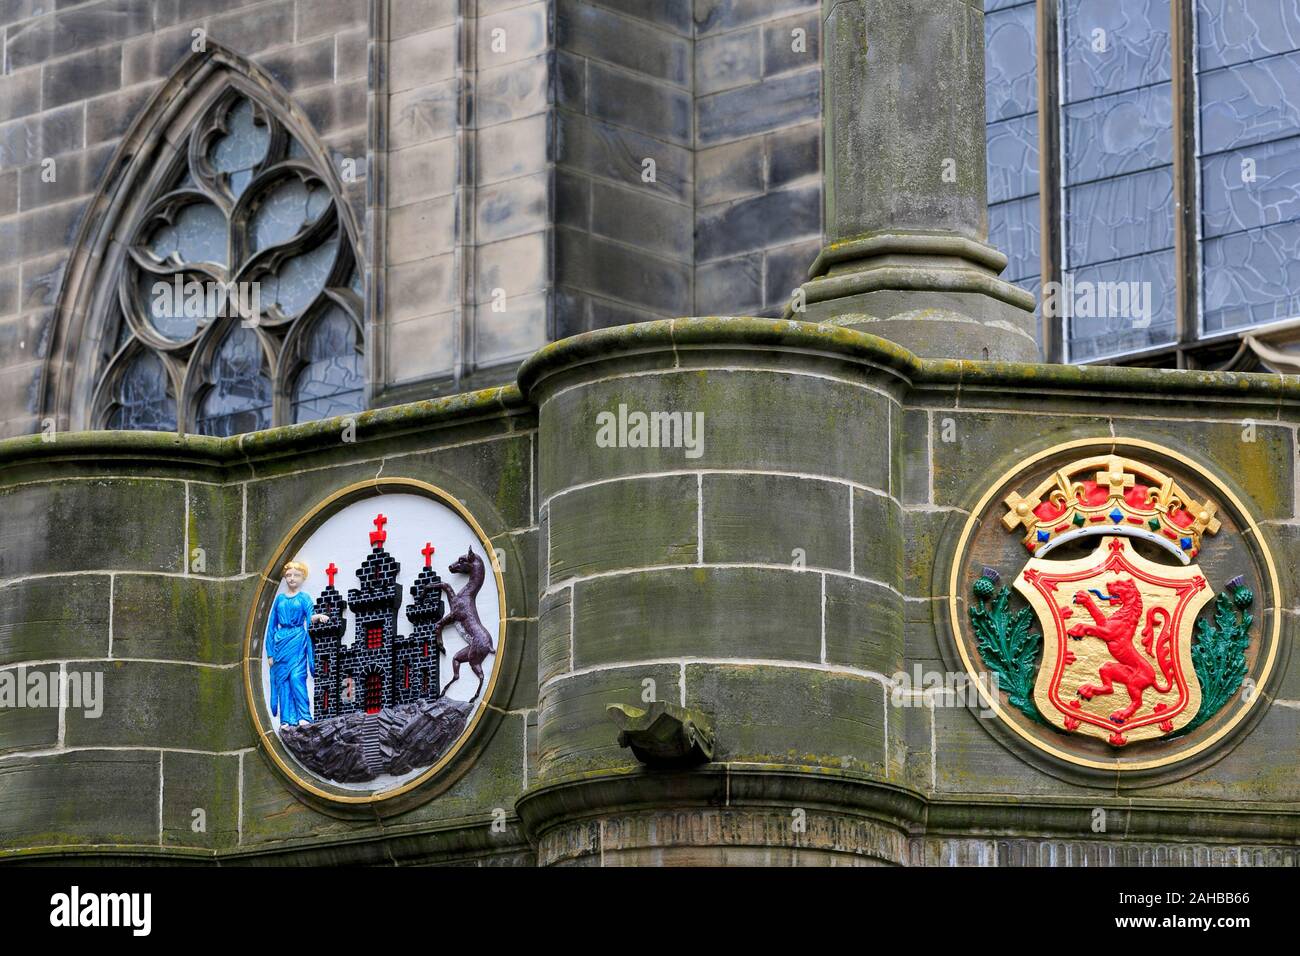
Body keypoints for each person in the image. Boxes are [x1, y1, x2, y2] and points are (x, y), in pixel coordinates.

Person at [266, 560, 329, 728]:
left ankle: (304, 716)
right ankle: (286, 719)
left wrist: (317, 618)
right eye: (288, 575)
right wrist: (270, 653)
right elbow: (271, 627)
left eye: (296, 575)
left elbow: (310, 617)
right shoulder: (280, 599)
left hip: (297, 640)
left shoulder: (304, 598)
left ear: (303, 578)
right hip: (281, 643)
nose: (292, 578)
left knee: (296, 678)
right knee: (283, 684)